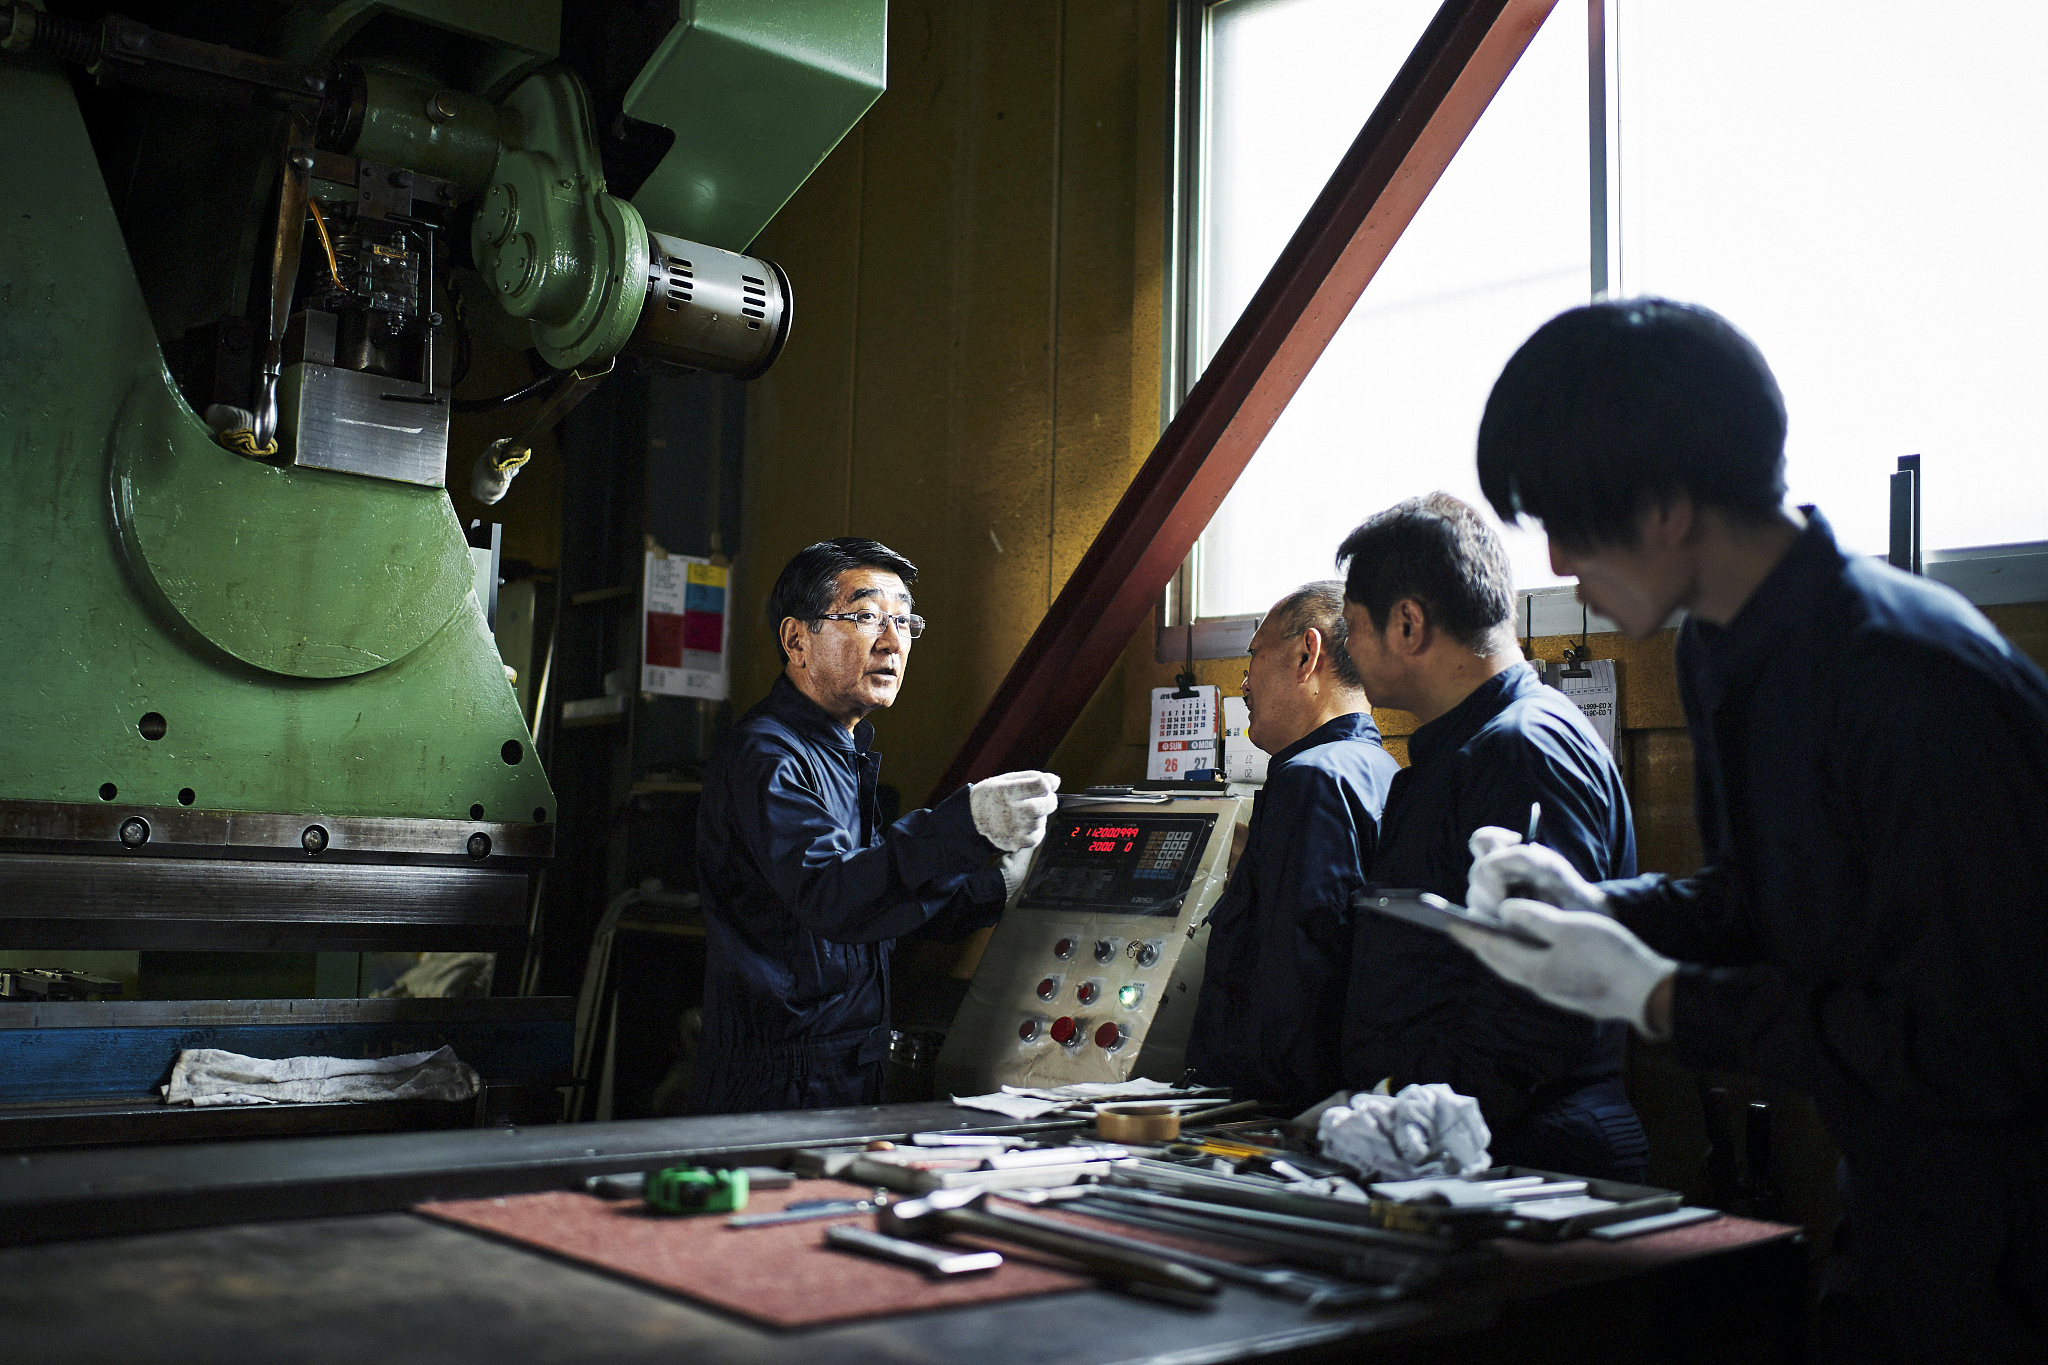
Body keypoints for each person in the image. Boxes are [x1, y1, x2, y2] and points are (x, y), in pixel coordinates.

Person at [1459, 298, 2048, 1362]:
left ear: (1666, 508)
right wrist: (1594, 908)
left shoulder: (1904, 679)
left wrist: (1657, 996)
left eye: (1569, 524)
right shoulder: (1719, 646)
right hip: (1896, 1206)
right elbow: (1756, 899)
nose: (1558, 562)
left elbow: (1972, 1044)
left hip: (2014, 1233)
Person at [1336, 493, 1648, 1181]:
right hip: (1465, 1141)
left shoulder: (1520, 749)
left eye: (1352, 626)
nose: (1347, 649)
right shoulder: (1468, 747)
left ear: (1407, 623)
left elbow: (1537, 998)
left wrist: (1418, 1124)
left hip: (1527, 1151)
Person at [688, 537, 1060, 1114]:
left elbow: (880, 895)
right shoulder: (768, 757)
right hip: (781, 1080)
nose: (892, 641)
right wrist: (966, 826)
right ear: (796, 640)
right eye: (865, 617)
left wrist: (1000, 885)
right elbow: (834, 895)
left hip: (840, 1066)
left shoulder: (841, 752)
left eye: (904, 621)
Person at [1185, 581, 1401, 1113]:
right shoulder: (1382, 770)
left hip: (1280, 1110)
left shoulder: (1310, 781)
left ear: (1307, 654)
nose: (1243, 684)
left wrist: (1268, 1118)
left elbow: (1294, 979)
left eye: (1253, 657)